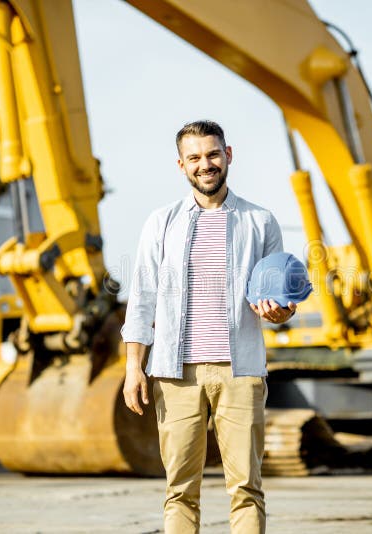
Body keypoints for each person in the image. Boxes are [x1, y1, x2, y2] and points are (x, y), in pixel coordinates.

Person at [121, 120, 296, 533]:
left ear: (228, 155)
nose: (206, 164)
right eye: (195, 157)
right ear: (181, 165)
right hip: (175, 374)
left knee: (246, 489)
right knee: (180, 489)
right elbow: (142, 297)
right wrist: (133, 368)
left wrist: (279, 312)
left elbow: (277, 294)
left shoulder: (261, 221)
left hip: (241, 372)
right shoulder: (161, 223)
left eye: (213, 154)